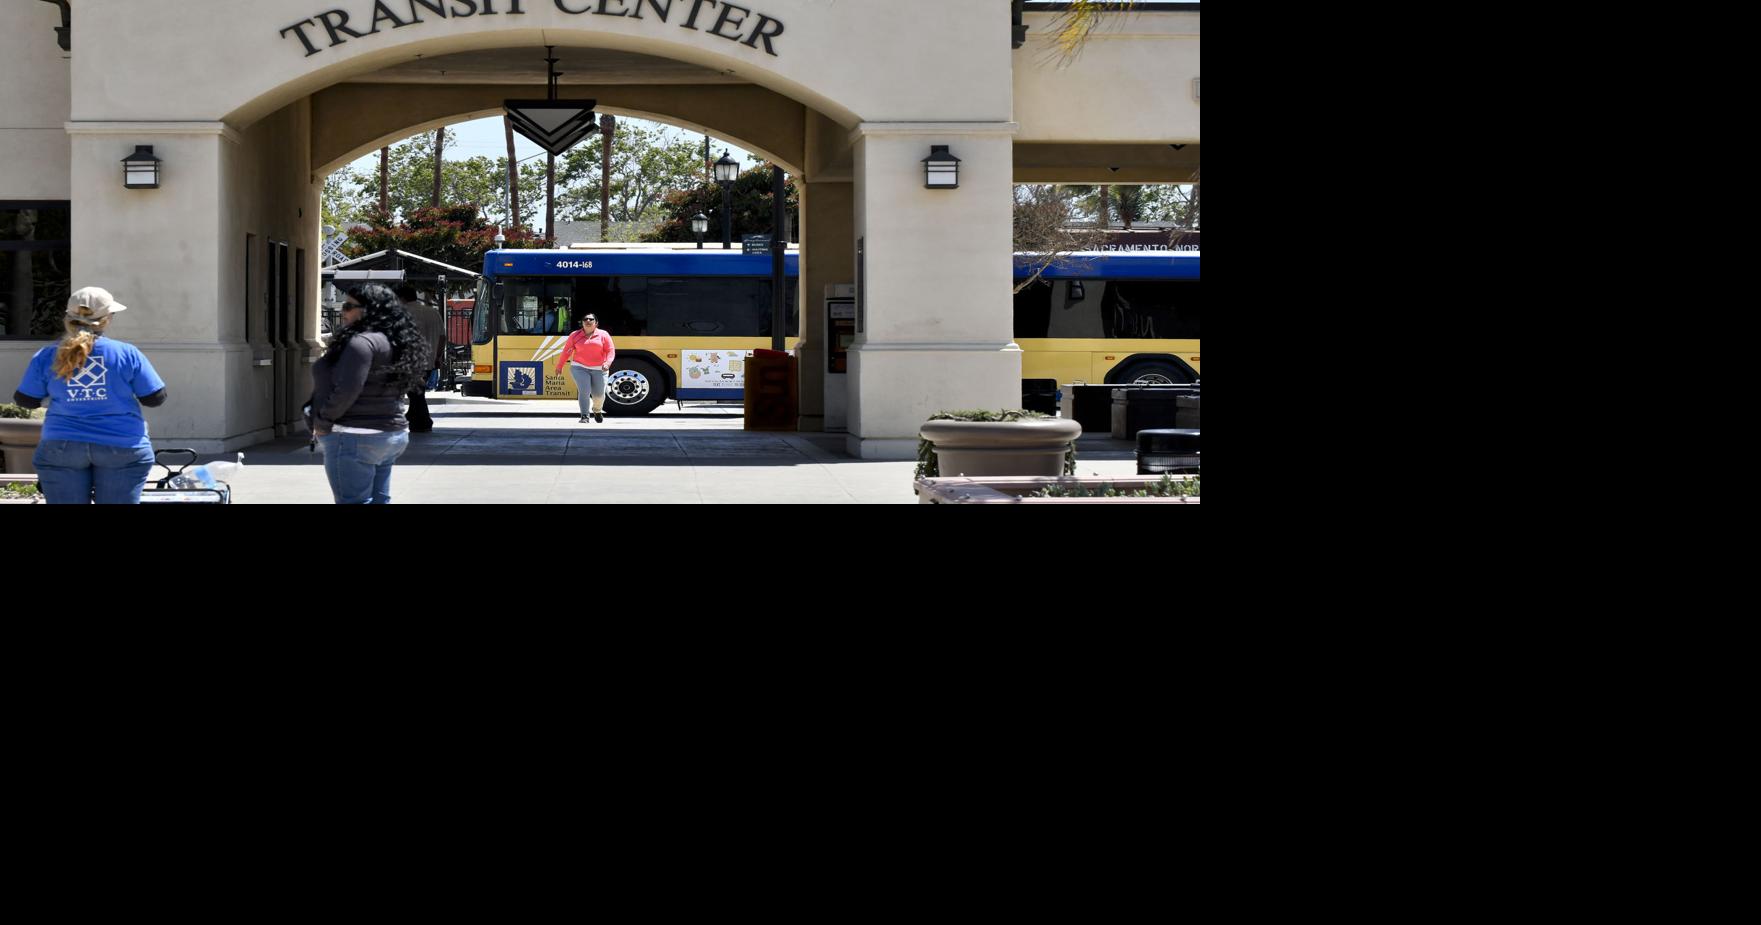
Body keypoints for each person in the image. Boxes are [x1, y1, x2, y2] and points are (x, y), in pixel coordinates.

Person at [11, 286, 167, 504]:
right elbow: (155, 398)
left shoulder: (46, 356)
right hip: (123, 444)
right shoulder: (126, 353)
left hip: (61, 445)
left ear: (68, 318)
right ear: (107, 319)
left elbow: (26, 400)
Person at [305, 284, 426, 503]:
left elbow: (348, 389)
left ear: (369, 310)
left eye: (349, 306)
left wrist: (323, 421)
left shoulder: (361, 343)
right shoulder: (392, 340)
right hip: (389, 435)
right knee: (379, 500)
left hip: (354, 435)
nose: (343, 312)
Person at [394, 284, 445, 433]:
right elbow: (442, 337)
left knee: (415, 392)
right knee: (417, 392)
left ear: (401, 298)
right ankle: (416, 419)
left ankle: (421, 422)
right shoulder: (433, 312)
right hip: (429, 361)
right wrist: (439, 357)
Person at [554, 313, 616, 423]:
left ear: (596, 323)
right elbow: (566, 352)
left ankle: (597, 410)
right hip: (579, 367)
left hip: (600, 369)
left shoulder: (603, 334)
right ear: (582, 323)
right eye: (585, 319)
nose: (588, 321)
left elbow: (610, 350)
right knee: (584, 391)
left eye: (591, 319)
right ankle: (584, 416)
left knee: (599, 395)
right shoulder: (575, 335)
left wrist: (608, 363)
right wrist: (559, 366)